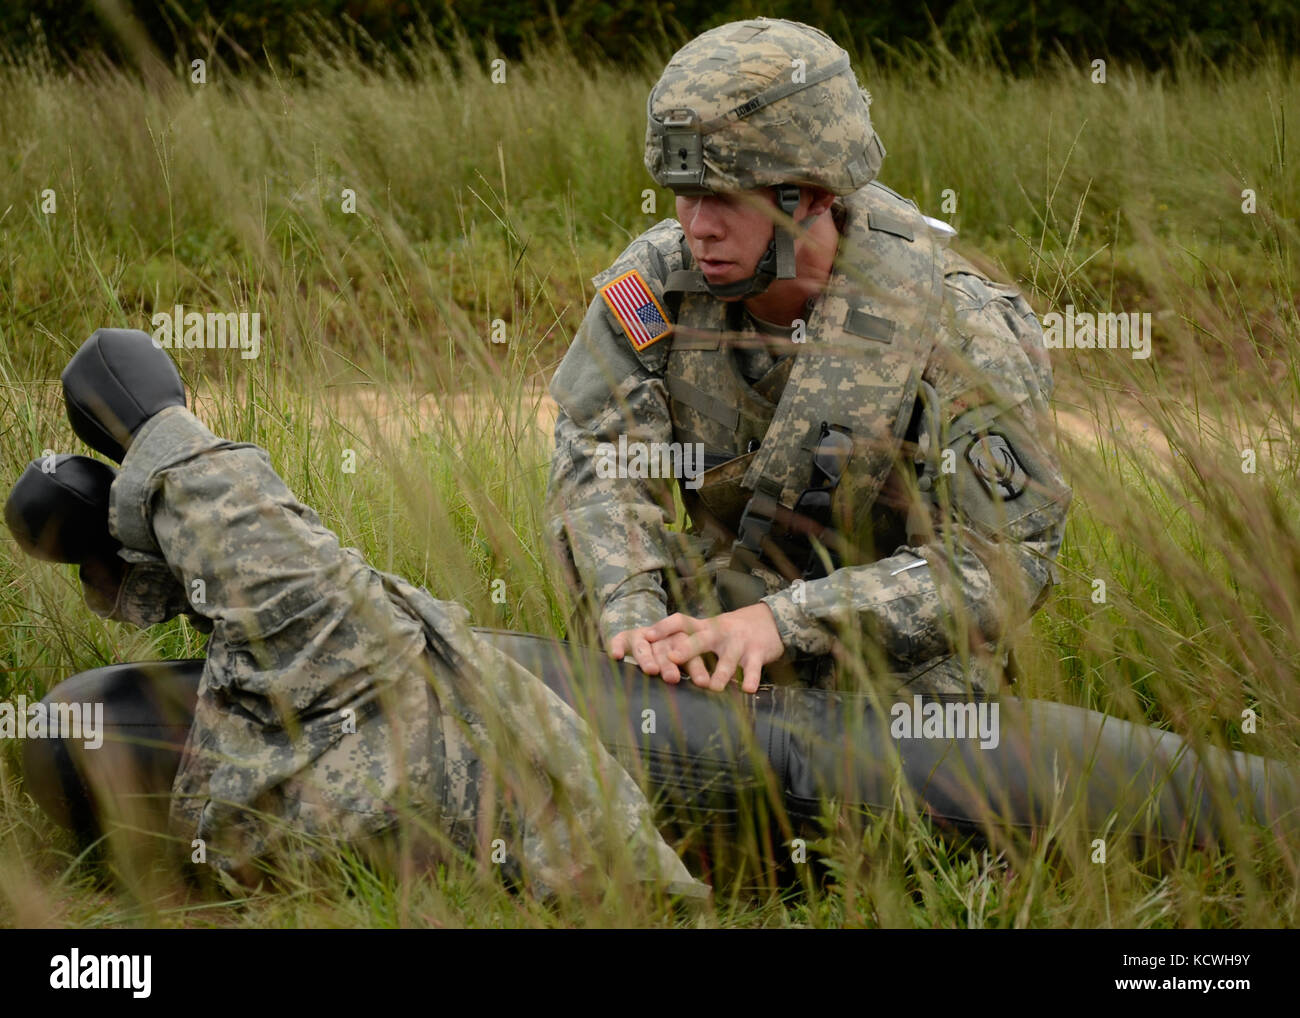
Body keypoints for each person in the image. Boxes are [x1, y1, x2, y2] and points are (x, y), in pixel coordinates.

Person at [6, 328, 706, 903]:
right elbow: (113, 372)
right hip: (686, 776)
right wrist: (156, 431)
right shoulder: (337, 668)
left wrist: (112, 547)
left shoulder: (249, 835)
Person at [545, 17, 1071, 697]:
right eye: (686, 193)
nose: (697, 226)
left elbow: (1005, 558)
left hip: (888, 663)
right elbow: (598, 466)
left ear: (814, 195)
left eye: (727, 197)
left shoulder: (959, 326)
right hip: (708, 635)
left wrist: (788, 622)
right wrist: (630, 615)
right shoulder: (655, 287)